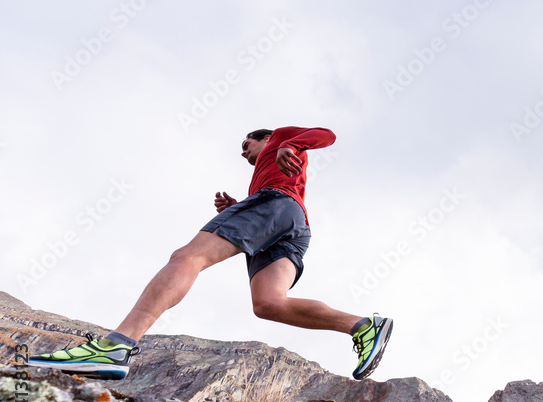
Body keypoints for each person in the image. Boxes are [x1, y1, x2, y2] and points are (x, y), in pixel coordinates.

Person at [28, 126, 392, 381]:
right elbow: (272, 203)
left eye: (247, 142)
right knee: (268, 303)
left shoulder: (280, 140)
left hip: (277, 205)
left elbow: (326, 135)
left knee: (187, 257)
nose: (242, 150)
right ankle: (362, 326)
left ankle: (117, 344)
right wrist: (239, 206)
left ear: (265, 137)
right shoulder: (266, 175)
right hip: (291, 225)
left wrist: (288, 144)